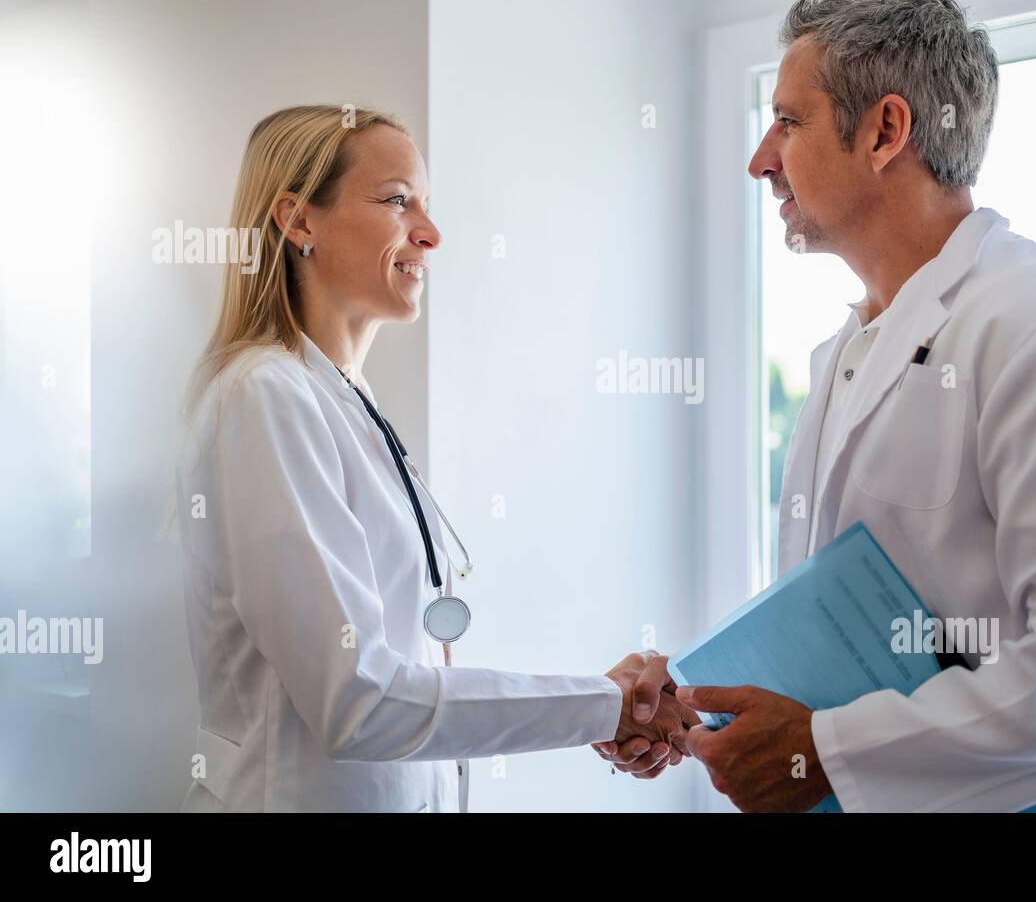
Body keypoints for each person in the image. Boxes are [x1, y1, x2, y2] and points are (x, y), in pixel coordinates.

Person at [670, 0, 1036, 812]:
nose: (760, 160)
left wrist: (824, 751)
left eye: (789, 122)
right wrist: (688, 698)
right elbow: (841, 636)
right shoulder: (844, 356)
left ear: (886, 131)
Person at [175, 105, 694, 812]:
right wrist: (603, 706)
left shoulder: (347, 402)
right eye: (396, 201)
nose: (431, 232)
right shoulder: (264, 397)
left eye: (425, 203)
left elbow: (404, 679)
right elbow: (356, 701)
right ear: (299, 221)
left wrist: (606, 707)